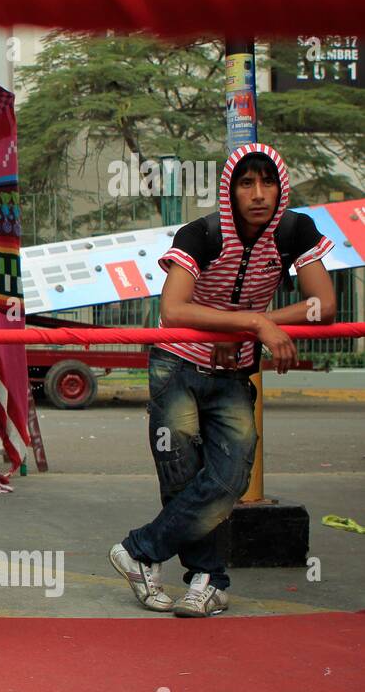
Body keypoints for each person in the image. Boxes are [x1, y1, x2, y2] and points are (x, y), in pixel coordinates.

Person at [110, 143, 336, 617]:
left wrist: (260, 320)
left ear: (281, 187)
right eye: (246, 183)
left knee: (230, 476)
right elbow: (173, 310)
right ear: (229, 189)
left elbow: (324, 304)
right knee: (182, 476)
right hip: (178, 364)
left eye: (267, 182)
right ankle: (206, 581)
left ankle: (139, 552)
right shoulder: (202, 233)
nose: (258, 194)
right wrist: (255, 324)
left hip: (232, 370)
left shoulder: (296, 231)